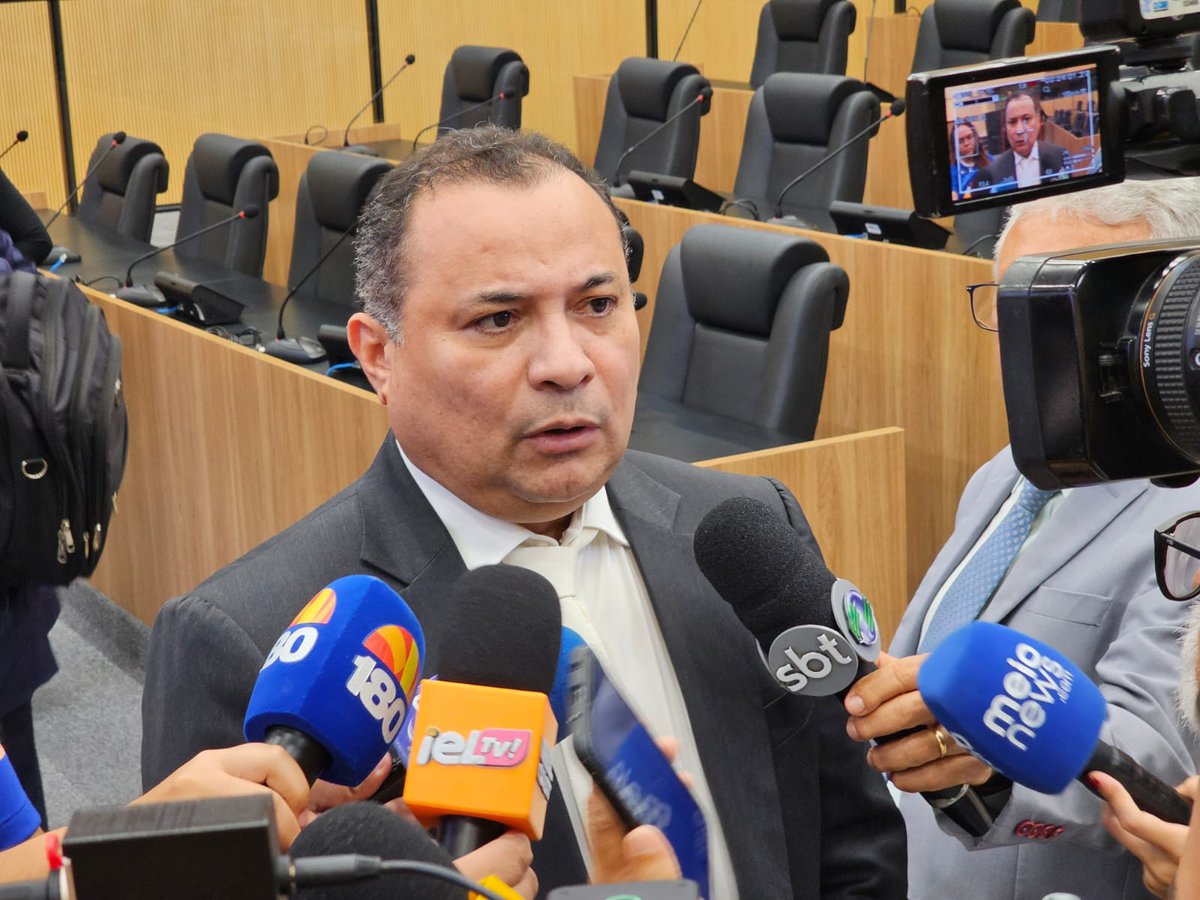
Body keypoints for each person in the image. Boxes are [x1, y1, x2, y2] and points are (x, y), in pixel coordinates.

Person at [141, 125, 907, 897]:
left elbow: (853, 846)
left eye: (598, 304)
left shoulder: (747, 529)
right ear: (378, 356)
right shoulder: (246, 638)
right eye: (498, 320)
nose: (568, 363)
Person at [843, 177, 1200, 900]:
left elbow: (1155, 759)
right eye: (1014, 306)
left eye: (1062, 306)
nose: (1028, 348)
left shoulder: (1188, 507)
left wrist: (985, 769)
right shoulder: (1007, 469)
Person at [977, 92, 1067, 190]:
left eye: (1026, 119)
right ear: (1005, 127)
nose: (1019, 130)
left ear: (1040, 120)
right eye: (1012, 122)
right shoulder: (991, 172)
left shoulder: (1060, 156)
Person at [952, 121, 989, 196]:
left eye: (969, 137)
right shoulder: (953, 171)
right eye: (960, 141)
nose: (966, 143)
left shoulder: (989, 159)